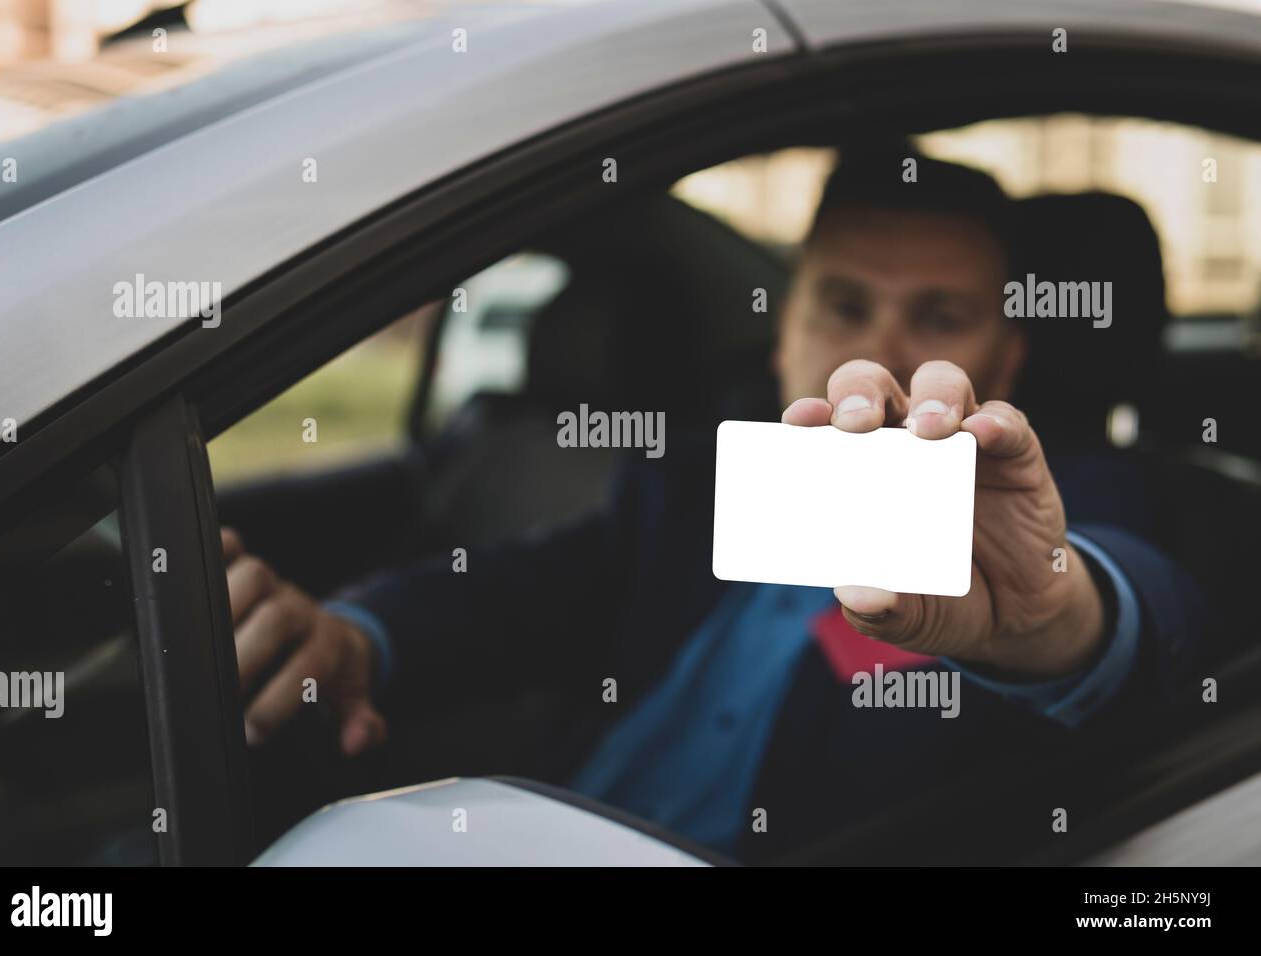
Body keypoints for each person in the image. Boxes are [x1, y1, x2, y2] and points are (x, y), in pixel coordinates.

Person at [221, 148, 1204, 862]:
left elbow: (1129, 606)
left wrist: (1047, 617)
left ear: (1007, 355)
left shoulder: (1053, 507)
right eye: (845, 304)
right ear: (785, 333)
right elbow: (521, 591)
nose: (886, 352)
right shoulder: (694, 484)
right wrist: (354, 637)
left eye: (940, 316)